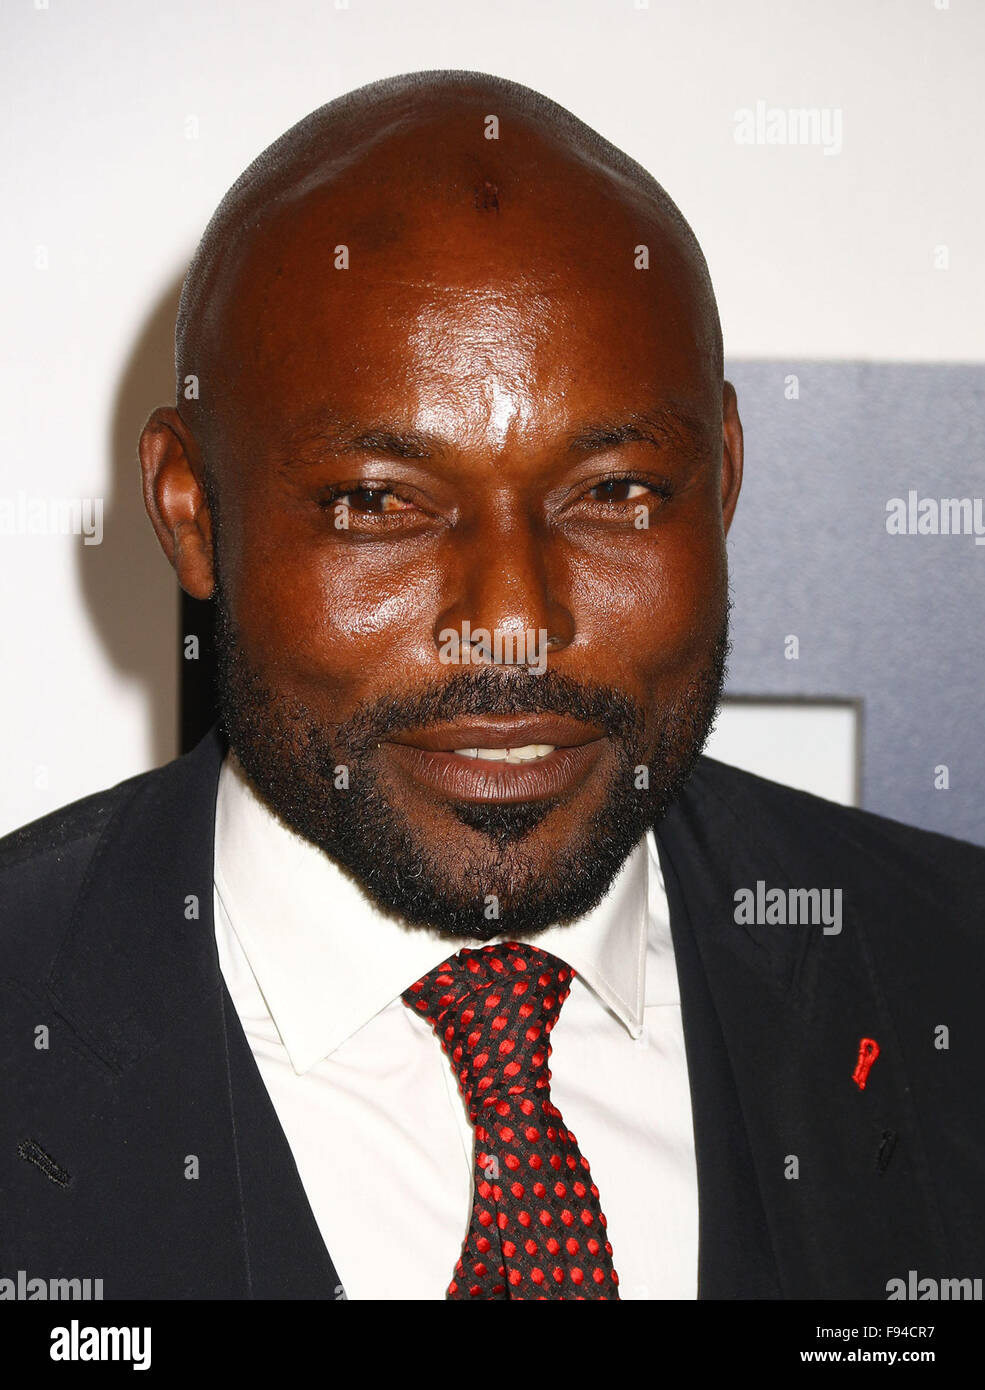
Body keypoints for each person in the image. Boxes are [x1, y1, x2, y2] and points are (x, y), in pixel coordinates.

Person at [2, 70, 983, 1302]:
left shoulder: (948, 975)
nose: (513, 625)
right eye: (377, 504)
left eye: (616, 491)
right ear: (191, 513)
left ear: (721, 483)